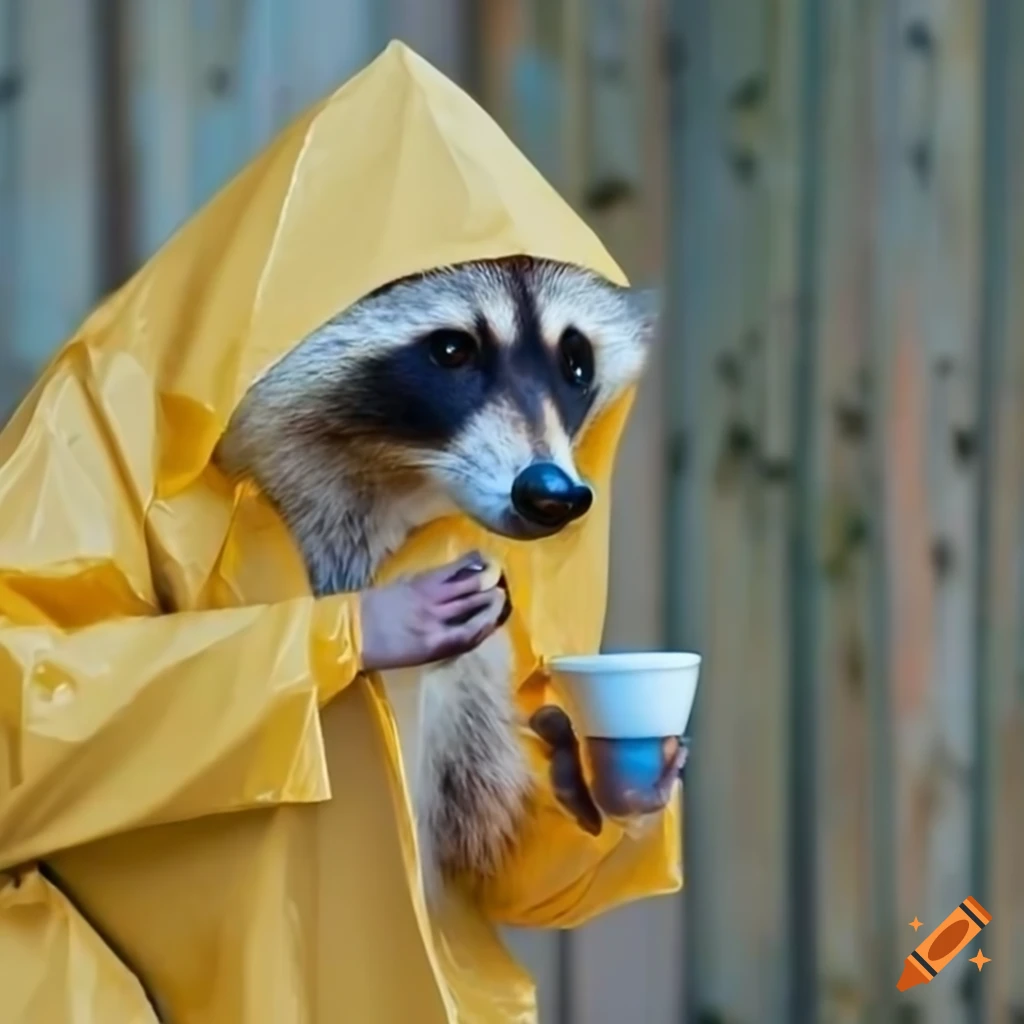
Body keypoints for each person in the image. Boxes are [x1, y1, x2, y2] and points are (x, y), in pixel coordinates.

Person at [0, 42, 682, 1023]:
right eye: (452, 351)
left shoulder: (461, 535)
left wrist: (607, 812)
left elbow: (501, 872)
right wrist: (340, 638)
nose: (550, 457)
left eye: (571, 368)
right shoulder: (114, 438)